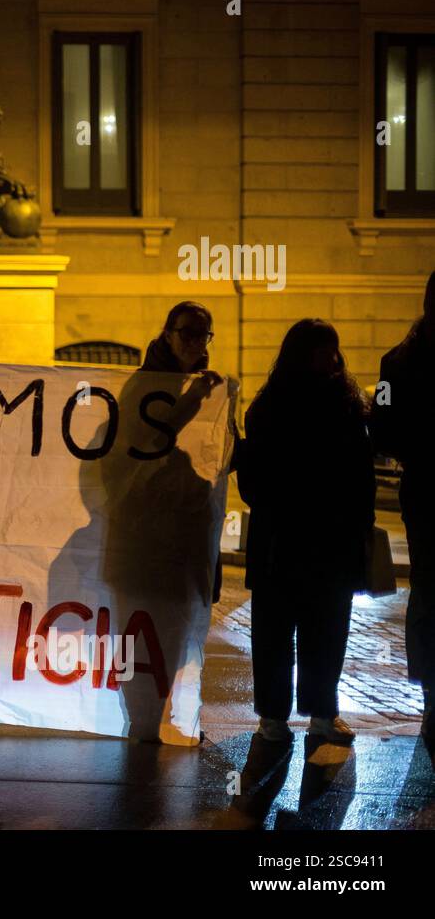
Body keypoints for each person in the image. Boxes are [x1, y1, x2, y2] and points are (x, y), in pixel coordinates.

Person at [237, 319, 374, 746]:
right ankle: (304, 717)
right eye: (322, 349)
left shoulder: (270, 406)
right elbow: (360, 477)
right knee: (312, 630)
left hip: (291, 540)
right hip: (314, 540)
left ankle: (290, 718)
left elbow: (253, 482)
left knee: (298, 631)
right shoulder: (344, 405)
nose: (331, 358)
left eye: (332, 348)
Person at [371, 270, 435, 746]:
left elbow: (383, 428)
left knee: (428, 588)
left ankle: (432, 697)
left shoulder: (395, 362)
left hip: (425, 488)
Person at [139, 301, 233, 606]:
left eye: (203, 335)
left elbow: (226, 455)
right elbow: (147, 445)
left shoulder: (212, 389)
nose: (195, 342)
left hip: (191, 525)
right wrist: (192, 401)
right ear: (168, 335)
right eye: (187, 333)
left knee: (179, 628)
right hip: (146, 528)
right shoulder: (142, 386)